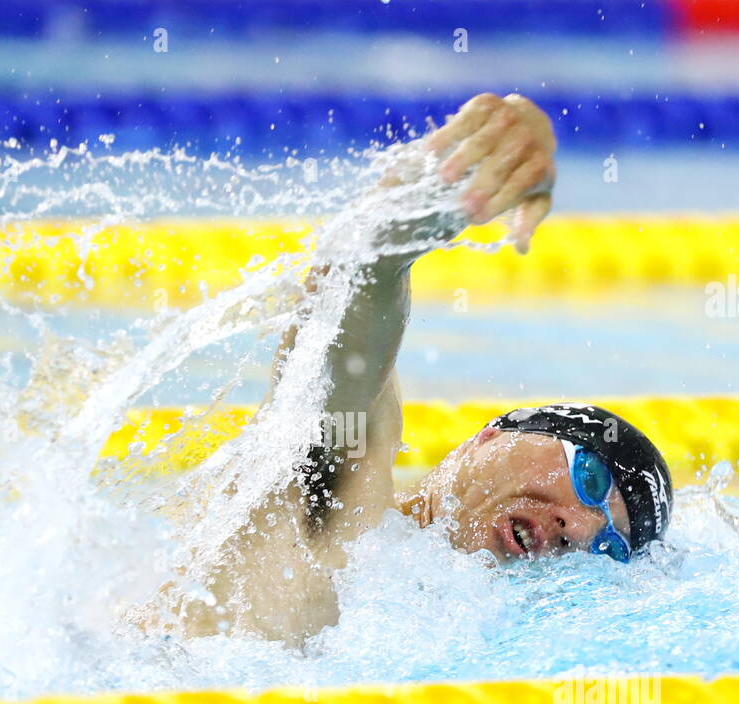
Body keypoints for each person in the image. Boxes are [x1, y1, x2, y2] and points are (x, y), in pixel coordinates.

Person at [166, 92, 672, 644]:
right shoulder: (337, 499)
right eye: (589, 476)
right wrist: (443, 189)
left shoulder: (462, 641)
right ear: (494, 434)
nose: (580, 529)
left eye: (607, 546)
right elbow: (357, 280)